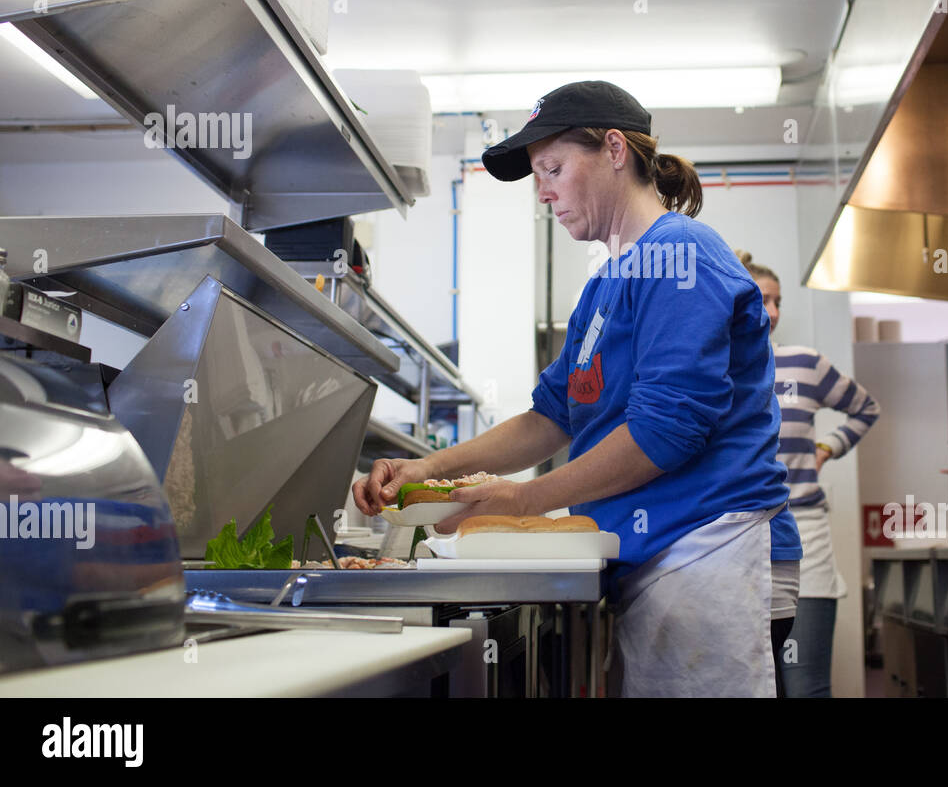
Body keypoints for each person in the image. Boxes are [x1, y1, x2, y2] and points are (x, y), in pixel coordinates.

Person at [353, 81, 801, 697]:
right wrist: (426, 469)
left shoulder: (682, 254)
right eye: (538, 176)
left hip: (715, 554)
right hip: (658, 557)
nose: (544, 192)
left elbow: (664, 432)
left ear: (615, 150)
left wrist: (524, 501)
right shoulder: (605, 284)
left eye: (554, 168)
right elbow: (551, 417)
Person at [738, 251, 880, 698]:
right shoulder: (716, 369)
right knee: (750, 685)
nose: (775, 312)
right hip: (739, 537)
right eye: (764, 300)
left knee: (804, 686)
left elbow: (865, 408)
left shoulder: (805, 364)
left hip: (807, 530)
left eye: (779, 301)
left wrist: (826, 448)